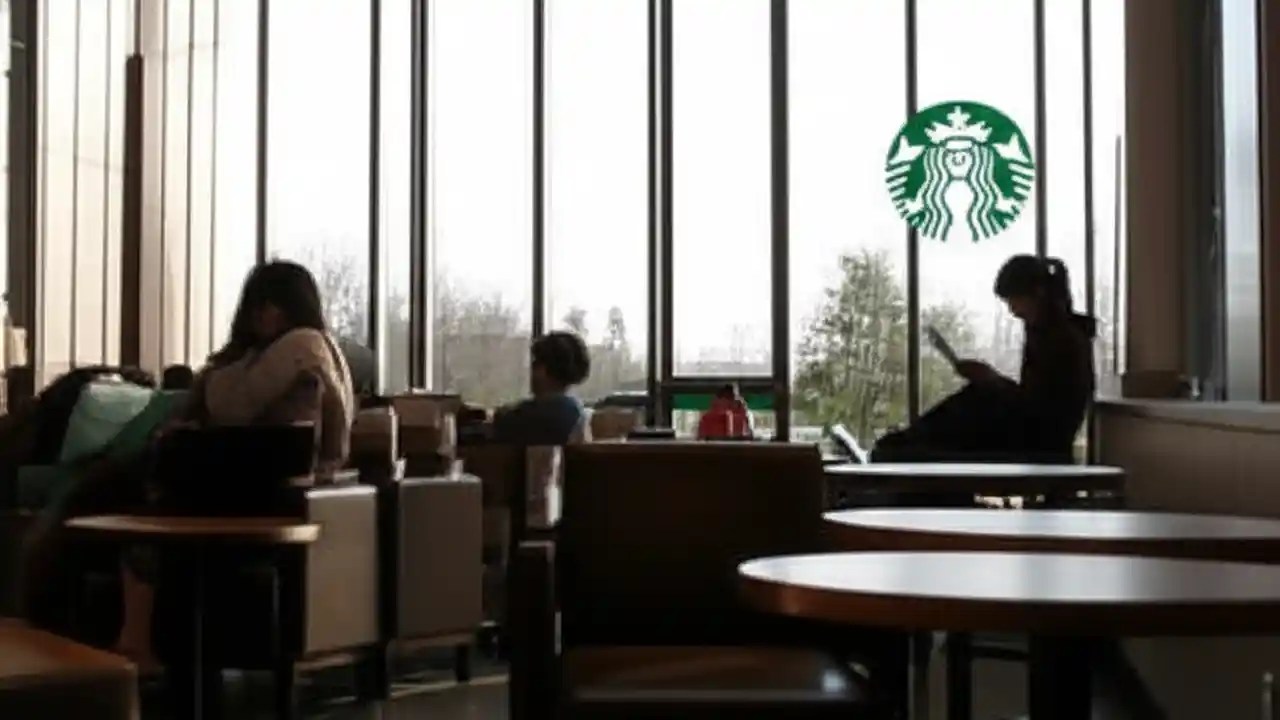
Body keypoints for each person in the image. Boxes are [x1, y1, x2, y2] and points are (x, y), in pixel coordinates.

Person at [873, 255, 1095, 462]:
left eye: (1015, 301)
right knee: (975, 398)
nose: (1013, 311)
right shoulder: (1051, 334)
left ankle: (907, 444)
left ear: (1037, 293)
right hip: (1036, 435)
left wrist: (993, 381)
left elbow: (1041, 411)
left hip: (1042, 441)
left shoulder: (1063, 340)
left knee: (975, 400)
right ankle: (909, 443)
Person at [187, 260, 356, 471]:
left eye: (271, 303)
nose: (259, 313)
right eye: (256, 304)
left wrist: (205, 381)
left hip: (281, 480)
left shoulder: (304, 344)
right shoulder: (322, 346)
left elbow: (231, 406)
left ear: (294, 306)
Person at [492, 331, 591, 445]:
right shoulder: (577, 412)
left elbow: (502, 424)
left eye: (535, 364)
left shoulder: (529, 415)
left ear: (542, 370)